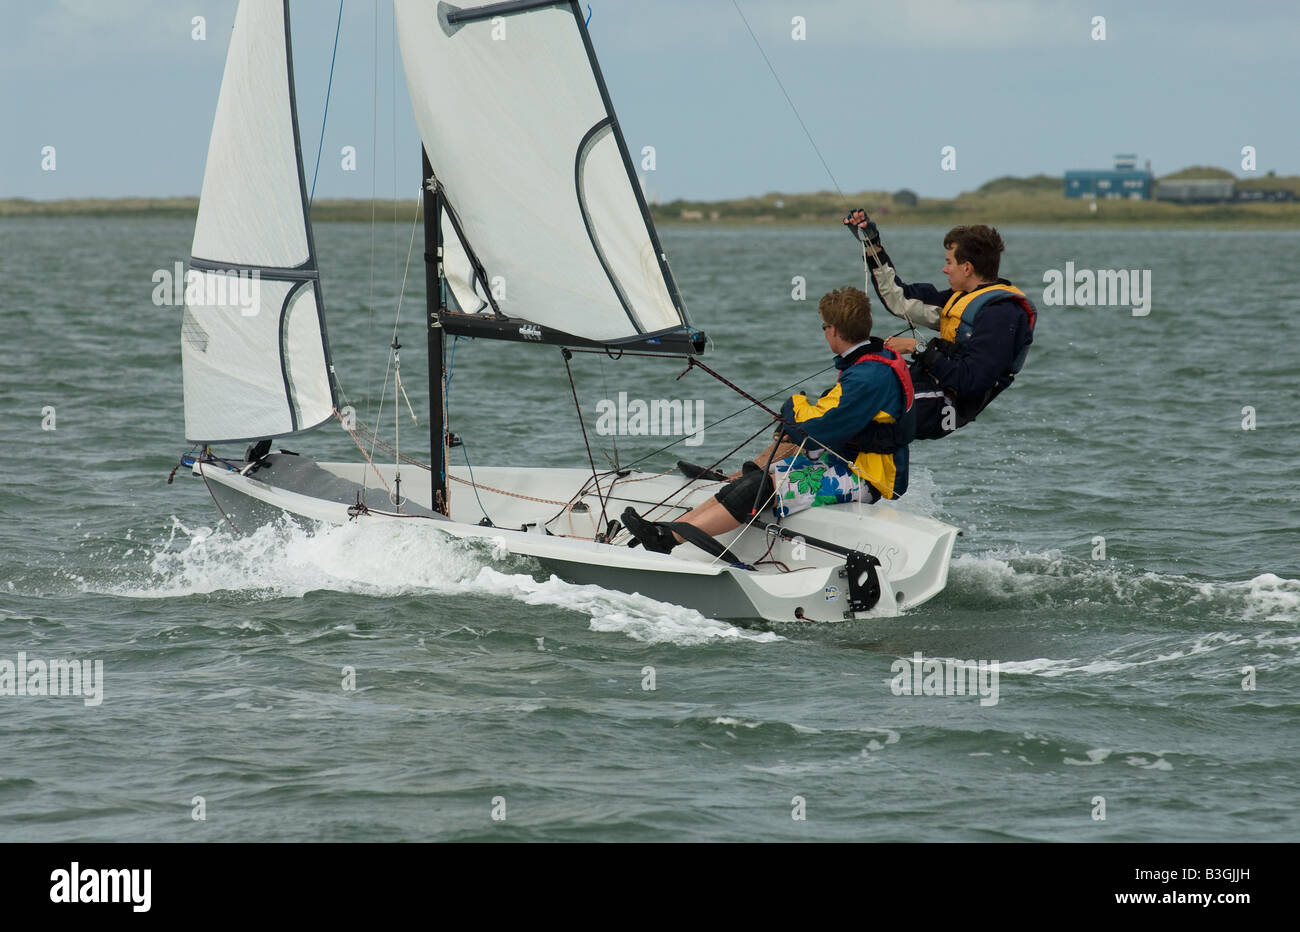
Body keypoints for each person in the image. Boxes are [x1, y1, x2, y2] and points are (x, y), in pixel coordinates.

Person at [623, 287, 912, 555]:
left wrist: (792, 404)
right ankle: (666, 529)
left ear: (834, 330)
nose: (824, 333)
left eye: (824, 327)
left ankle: (667, 541)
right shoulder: (870, 360)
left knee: (756, 489)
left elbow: (814, 428)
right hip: (845, 462)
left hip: (866, 478)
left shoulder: (868, 376)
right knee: (750, 480)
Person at [846, 214, 1036, 440]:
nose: (944, 269)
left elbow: (971, 382)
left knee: (859, 410)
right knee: (850, 392)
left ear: (966, 268)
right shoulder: (960, 299)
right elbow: (901, 300)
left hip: (946, 404)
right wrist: (872, 245)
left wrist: (918, 349)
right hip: (927, 383)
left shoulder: (1001, 315)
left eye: (949, 262)